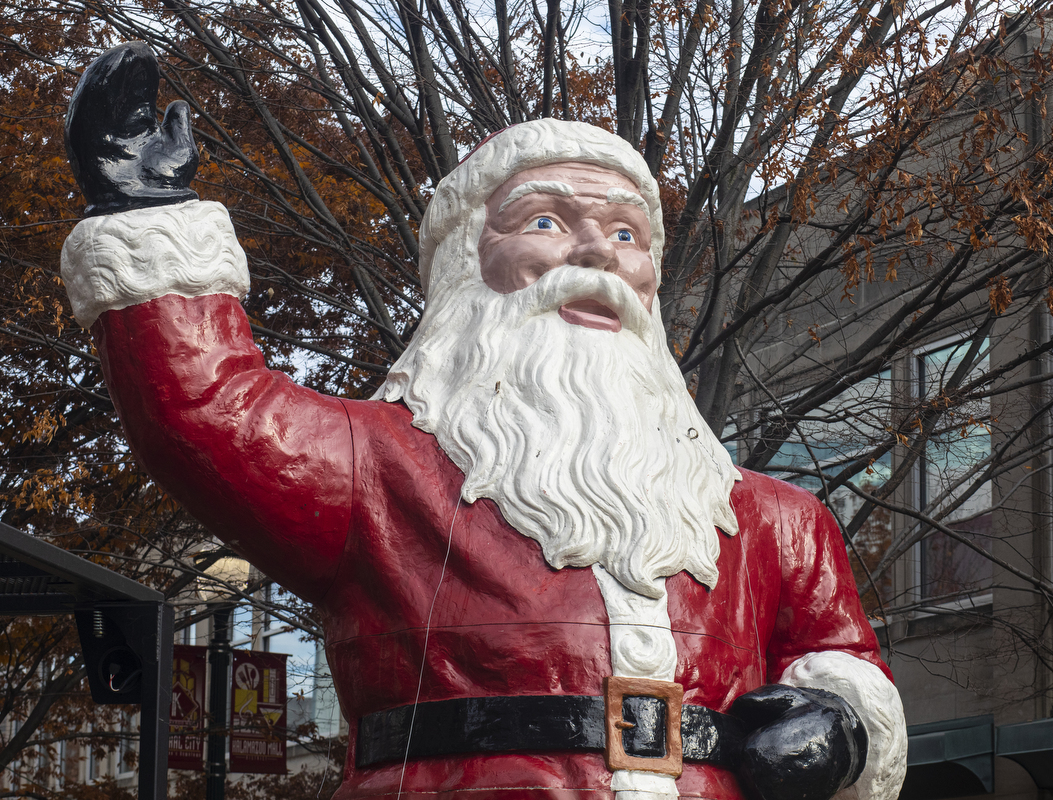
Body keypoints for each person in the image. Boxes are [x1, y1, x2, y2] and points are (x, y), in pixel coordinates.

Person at [59, 42, 906, 800]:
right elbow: (211, 411)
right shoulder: (376, 466)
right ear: (468, 261)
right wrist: (141, 210)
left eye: (625, 233)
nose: (596, 254)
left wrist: (841, 725)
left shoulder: (778, 523)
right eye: (546, 222)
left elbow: (842, 662)